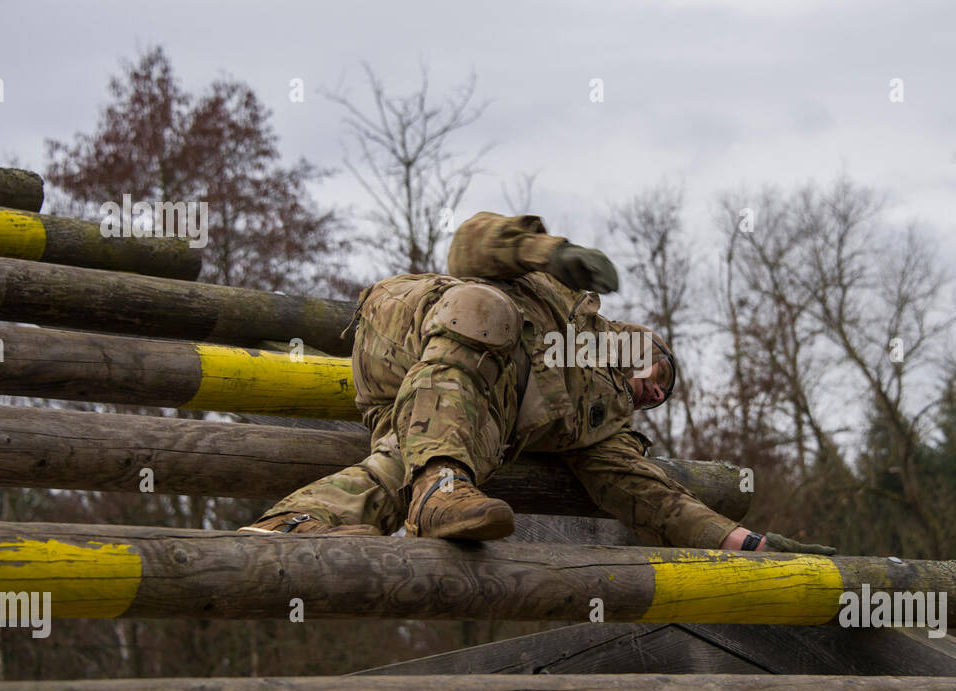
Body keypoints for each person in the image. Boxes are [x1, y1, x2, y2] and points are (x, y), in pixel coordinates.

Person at [241, 211, 834, 556]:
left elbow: (653, 499)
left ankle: (286, 529)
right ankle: (442, 485)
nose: (656, 388)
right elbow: (469, 241)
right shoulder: (559, 300)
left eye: (663, 394)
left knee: (432, 444)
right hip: (410, 327)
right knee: (483, 306)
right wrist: (551, 251)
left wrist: (746, 545)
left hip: (446, 401)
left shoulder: (598, 429)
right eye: (659, 370)